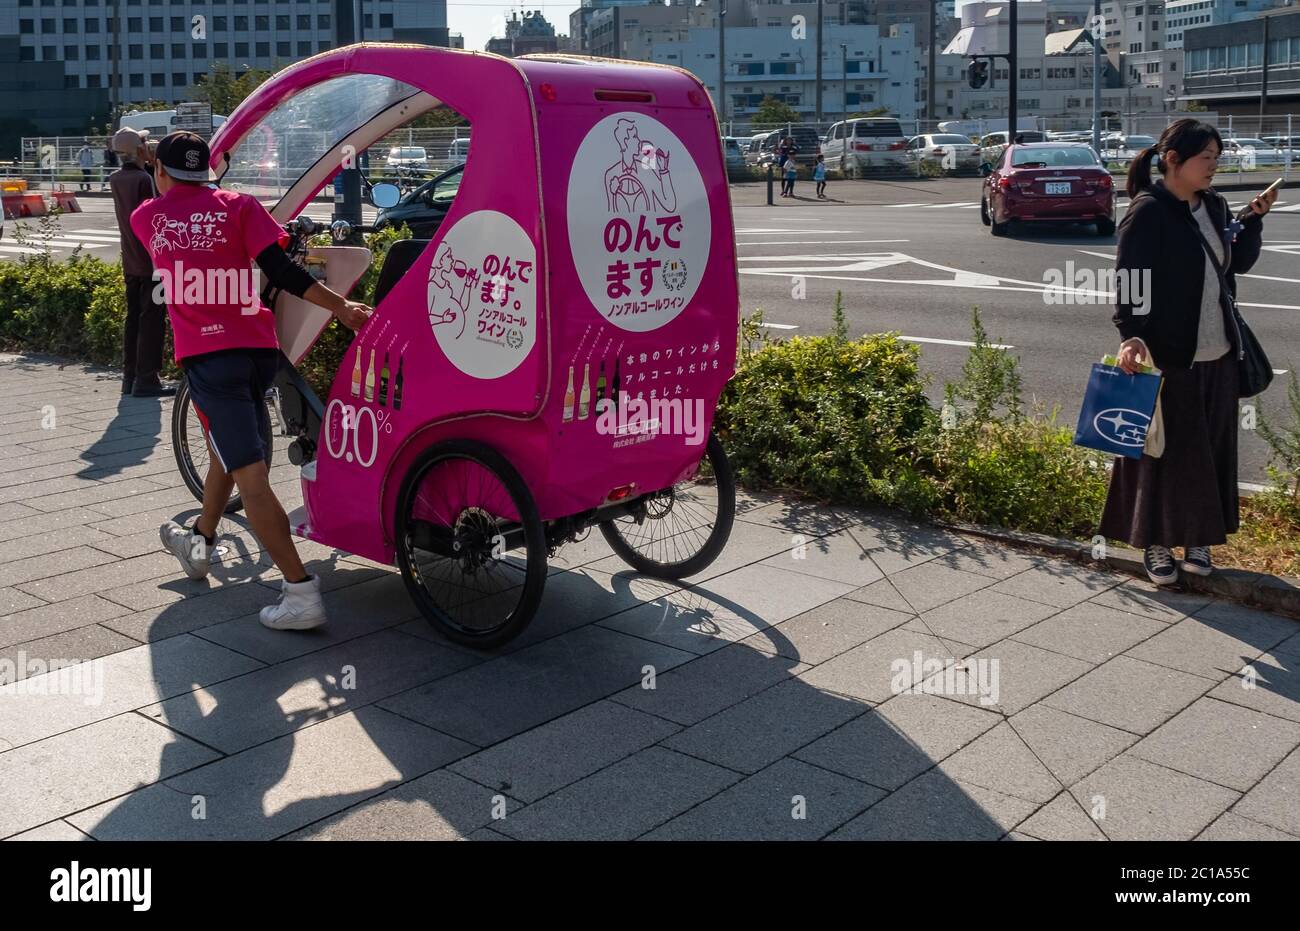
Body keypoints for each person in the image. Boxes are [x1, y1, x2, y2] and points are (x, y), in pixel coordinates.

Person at [135, 132, 373, 629]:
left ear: (160, 172)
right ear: (208, 171)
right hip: (257, 351)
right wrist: (342, 307)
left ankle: (301, 594)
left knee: (253, 477)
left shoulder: (147, 218)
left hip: (208, 357)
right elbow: (283, 271)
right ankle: (199, 541)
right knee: (230, 446)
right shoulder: (239, 206)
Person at [1099, 119, 1276, 585]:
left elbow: (1233, 264)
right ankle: (1156, 545)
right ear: (1173, 160)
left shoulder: (1214, 205)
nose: (1214, 167)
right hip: (1168, 354)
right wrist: (1131, 334)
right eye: (1206, 158)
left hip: (1219, 351)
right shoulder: (1148, 211)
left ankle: (1198, 538)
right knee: (1162, 450)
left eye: (1218, 158)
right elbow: (1129, 280)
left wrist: (1253, 221)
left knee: (1210, 450)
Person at [110, 127, 174, 398]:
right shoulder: (143, 180)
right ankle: (147, 378)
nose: (149, 146)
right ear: (138, 150)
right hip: (151, 263)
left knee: (133, 318)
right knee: (153, 320)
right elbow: (154, 216)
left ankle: (130, 376)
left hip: (130, 261)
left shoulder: (116, 178)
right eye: (146, 143)